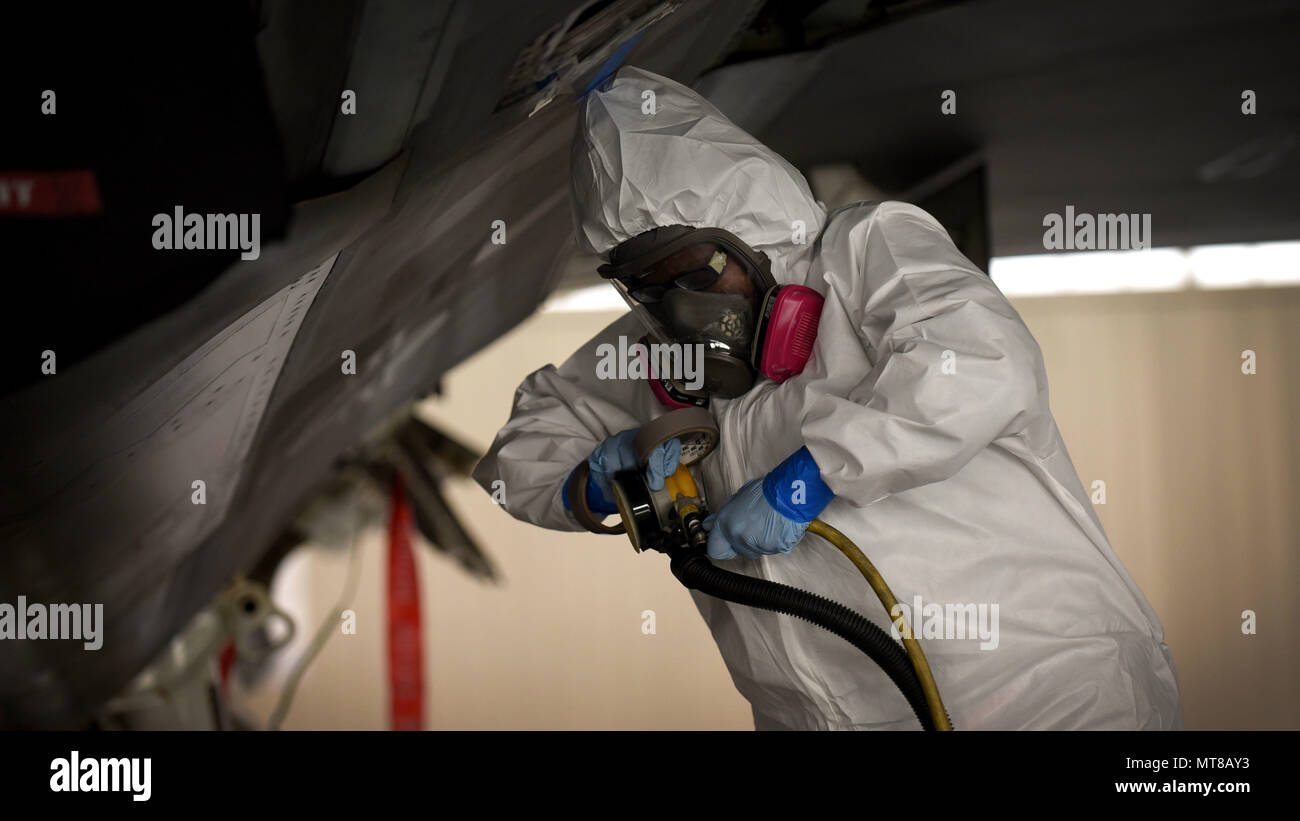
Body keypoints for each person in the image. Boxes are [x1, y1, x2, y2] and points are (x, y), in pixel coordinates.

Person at [473, 66, 1183, 730]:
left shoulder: (864, 253)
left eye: (692, 273)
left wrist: (808, 479)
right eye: (647, 285)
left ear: (748, 238)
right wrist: (595, 483)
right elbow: (519, 452)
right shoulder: (659, 354)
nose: (676, 308)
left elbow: (980, 363)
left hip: (1046, 696)